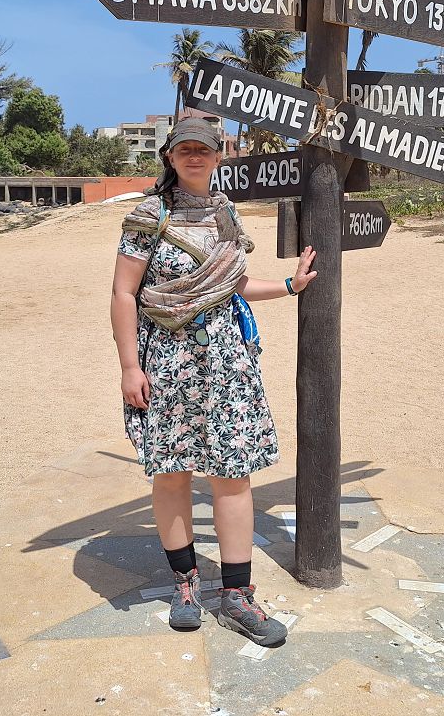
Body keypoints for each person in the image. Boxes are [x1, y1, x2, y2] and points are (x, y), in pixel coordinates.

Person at [110, 117, 316, 647]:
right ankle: (185, 584)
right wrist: (130, 367)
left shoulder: (226, 213)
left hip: (226, 359)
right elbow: (123, 293)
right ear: (171, 158)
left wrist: (290, 284)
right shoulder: (147, 216)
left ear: (219, 155)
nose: (195, 157)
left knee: (233, 474)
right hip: (168, 361)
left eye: (204, 149)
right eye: (185, 150)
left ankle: (238, 595)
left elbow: (235, 283)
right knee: (173, 472)